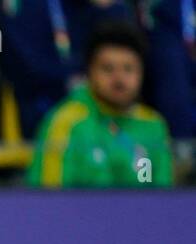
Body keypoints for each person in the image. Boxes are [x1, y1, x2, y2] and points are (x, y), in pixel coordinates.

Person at [29, 18, 174, 187]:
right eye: (108, 68)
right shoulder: (66, 122)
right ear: (89, 72)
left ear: (142, 73)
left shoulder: (153, 125)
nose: (119, 79)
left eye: (128, 69)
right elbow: (48, 201)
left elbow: (164, 200)